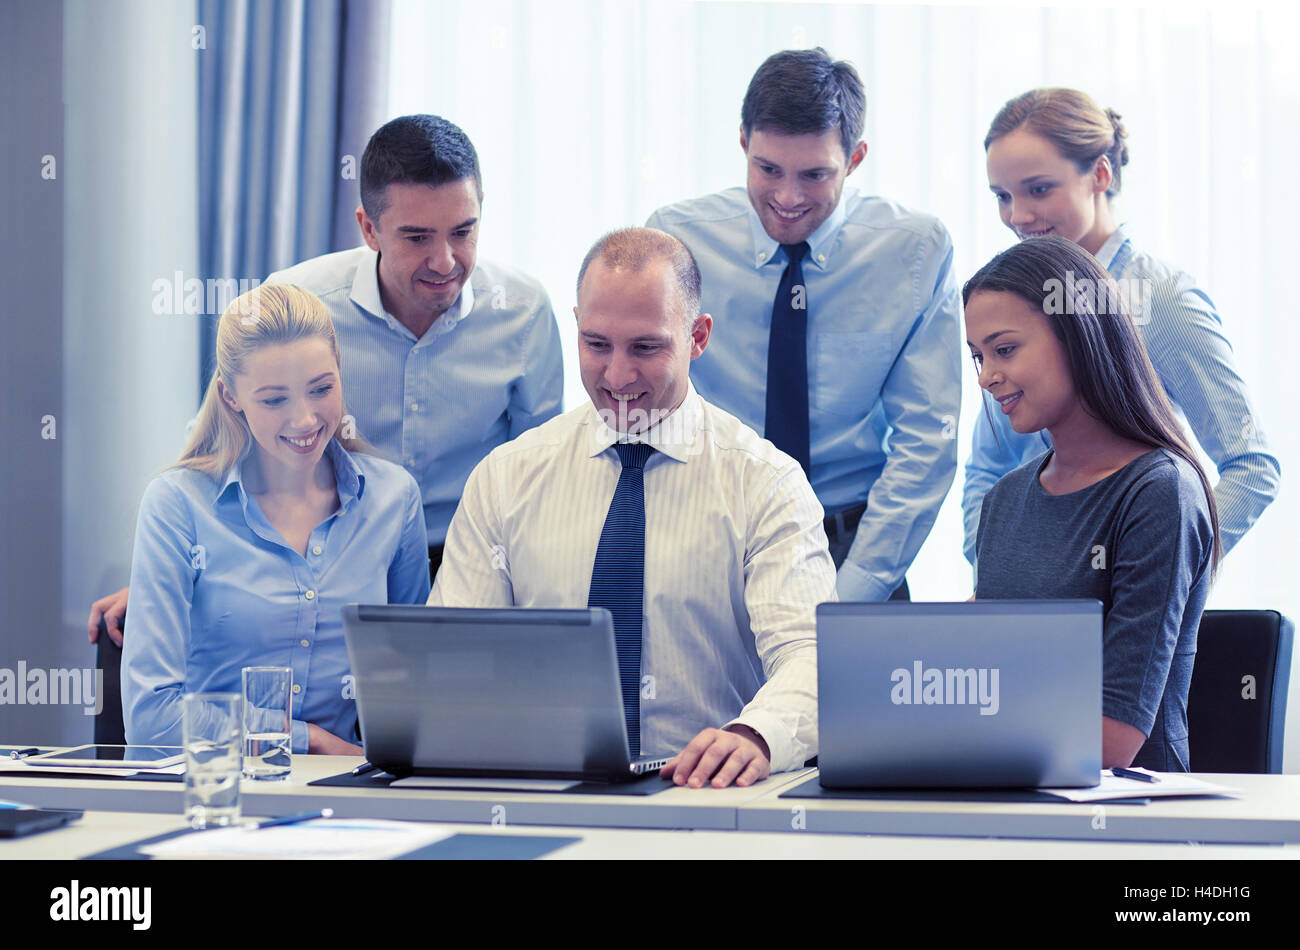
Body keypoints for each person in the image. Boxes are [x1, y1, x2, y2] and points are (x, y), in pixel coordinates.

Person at [90, 114, 563, 642]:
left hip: (478, 568)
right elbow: (228, 439)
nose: (445, 260)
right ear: (369, 229)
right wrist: (178, 576)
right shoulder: (298, 303)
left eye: (463, 231)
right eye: (417, 237)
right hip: (336, 564)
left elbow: (539, 480)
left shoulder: (524, 312)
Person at [431, 228, 836, 788]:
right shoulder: (505, 478)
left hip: (706, 801)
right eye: (597, 344)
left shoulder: (766, 483)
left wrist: (756, 736)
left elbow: (812, 656)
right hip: (541, 794)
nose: (618, 377)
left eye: (646, 348)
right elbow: (454, 659)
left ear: (698, 337)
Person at [647, 48, 962, 602]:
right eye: (768, 169)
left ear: (856, 158)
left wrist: (853, 595)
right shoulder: (678, 241)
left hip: (855, 548)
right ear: (743, 142)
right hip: (711, 539)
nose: (788, 198)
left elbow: (925, 439)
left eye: (815, 174)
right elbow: (647, 405)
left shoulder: (914, 251)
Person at [963, 87, 1279, 564]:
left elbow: (1251, 465)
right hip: (1033, 609)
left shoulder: (1162, 300)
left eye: (1039, 189)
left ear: (1100, 174)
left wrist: (1156, 566)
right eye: (1002, 196)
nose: (1018, 216)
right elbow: (989, 467)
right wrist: (1002, 575)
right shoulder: (1016, 299)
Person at [122, 285, 431, 755]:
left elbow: (417, 690)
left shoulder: (394, 499)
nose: (305, 420)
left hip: (345, 806)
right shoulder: (177, 505)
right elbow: (152, 718)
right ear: (231, 397)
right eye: (274, 400)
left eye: (321, 389)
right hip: (212, 793)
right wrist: (310, 741)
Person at [967, 236, 1219, 771]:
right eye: (978, 357)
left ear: (1077, 335)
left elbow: (1113, 741)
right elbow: (974, 676)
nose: (987, 375)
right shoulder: (1005, 498)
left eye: (1004, 349)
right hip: (1006, 796)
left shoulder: (1159, 492)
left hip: (1124, 820)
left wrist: (957, 734)